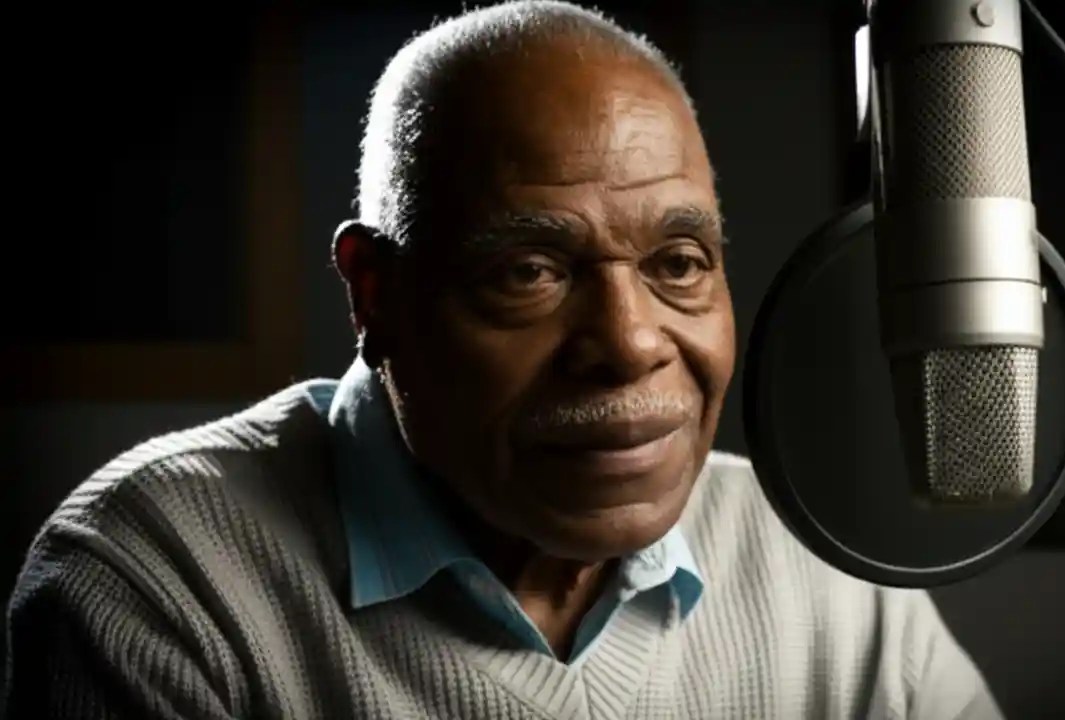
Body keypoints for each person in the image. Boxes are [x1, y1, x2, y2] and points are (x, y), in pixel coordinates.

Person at [2, 2, 1003, 717]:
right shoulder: (158, 580)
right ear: (374, 294)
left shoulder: (820, 574)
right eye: (528, 269)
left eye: (678, 263)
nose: (628, 343)